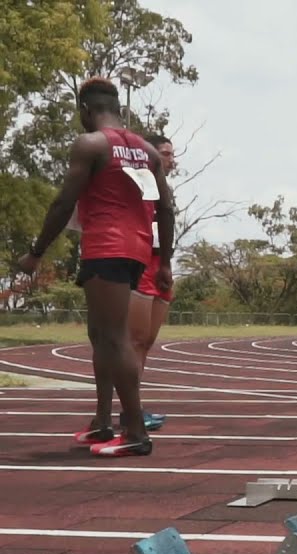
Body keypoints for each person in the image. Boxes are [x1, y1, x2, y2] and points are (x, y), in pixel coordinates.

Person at [18, 77, 175, 457]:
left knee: (115, 336)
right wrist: (164, 260)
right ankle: (103, 422)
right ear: (117, 109)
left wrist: (36, 252)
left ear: (85, 111)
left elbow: (63, 202)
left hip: (107, 245)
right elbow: (164, 207)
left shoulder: (90, 144)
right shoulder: (145, 153)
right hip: (134, 249)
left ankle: (135, 431)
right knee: (100, 335)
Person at [125, 132, 178, 431]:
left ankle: (136, 408)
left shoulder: (163, 187)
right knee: (134, 341)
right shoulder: (143, 184)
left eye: (172, 153)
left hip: (162, 267)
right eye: (166, 154)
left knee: (145, 343)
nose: (172, 159)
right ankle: (129, 412)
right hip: (144, 264)